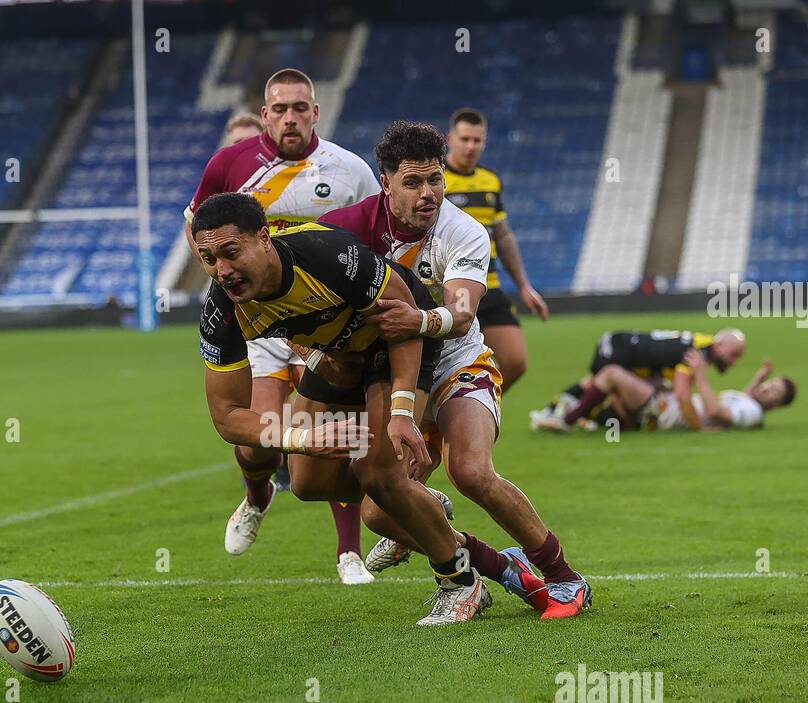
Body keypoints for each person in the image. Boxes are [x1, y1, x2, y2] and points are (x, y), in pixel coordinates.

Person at [194, 192, 530, 625]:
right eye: (208, 258)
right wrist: (303, 438)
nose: (221, 270)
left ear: (264, 238)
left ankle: (460, 583)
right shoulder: (220, 313)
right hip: (338, 358)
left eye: (230, 252)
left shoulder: (328, 254)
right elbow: (227, 416)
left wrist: (403, 411)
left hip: (397, 340)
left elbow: (404, 319)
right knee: (308, 483)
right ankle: (419, 501)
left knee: (378, 472)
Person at [318, 120, 590, 618]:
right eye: (413, 182)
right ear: (385, 181)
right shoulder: (349, 228)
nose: (429, 194)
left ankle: (563, 575)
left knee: (470, 470)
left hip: (457, 362)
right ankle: (499, 568)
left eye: (436, 180)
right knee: (380, 508)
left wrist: (417, 319)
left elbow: (462, 311)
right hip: (397, 377)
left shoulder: (463, 230)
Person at [184, 69, 380, 583]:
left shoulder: (350, 169)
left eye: (300, 107)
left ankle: (348, 551)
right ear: (265, 114)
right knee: (259, 442)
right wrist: (222, 283)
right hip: (262, 325)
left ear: (316, 111)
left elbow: (372, 242)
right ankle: (257, 496)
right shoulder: (229, 165)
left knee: (337, 431)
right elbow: (196, 227)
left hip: (325, 321)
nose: (290, 117)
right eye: (279, 109)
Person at [444, 108, 550, 391]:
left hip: (489, 287)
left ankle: (479, 413)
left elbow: (502, 235)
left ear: (485, 141)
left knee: (515, 363)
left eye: (477, 140)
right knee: (447, 368)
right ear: (450, 139)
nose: (470, 146)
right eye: (465, 139)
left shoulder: (491, 181)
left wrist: (524, 286)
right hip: (453, 290)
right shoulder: (435, 180)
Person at [532, 328, 747, 433]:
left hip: (624, 344)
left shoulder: (699, 341)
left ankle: (558, 413)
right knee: (601, 380)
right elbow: (682, 394)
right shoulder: (699, 352)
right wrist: (700, 428)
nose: (734, 362)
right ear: (719, 345)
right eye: (733, 354)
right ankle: (565, 417)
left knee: (595, 383)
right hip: (623, 348)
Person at [583, 351, 795, 432]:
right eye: (771, 384)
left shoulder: (752, 413)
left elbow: (715, 412)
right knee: (611, 384)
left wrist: (700, 373)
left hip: (670, 411)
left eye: (774, 392)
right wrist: (760, 378)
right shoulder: (749, 403)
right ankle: (591, 420)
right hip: (671, 406)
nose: (767, 389)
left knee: (612, 374)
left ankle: (569, 415)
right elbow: (743, 398)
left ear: (777, 405)